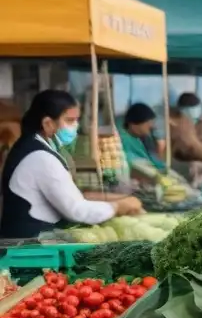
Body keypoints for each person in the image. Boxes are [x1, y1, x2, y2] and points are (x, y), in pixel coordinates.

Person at [0, 90, 142, 238]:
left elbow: (71, 196)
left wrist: (116, 200)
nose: (75, 126)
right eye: (69, 120)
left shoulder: (37, 147)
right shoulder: (40, 158)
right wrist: (118, 207)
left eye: (76, 120)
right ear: (48, 123)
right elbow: (77, 210)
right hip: (29, 245)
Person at [120, 103, 165, 170]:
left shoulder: (137, 139)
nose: (152, 126)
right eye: (148, 123)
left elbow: (150, 160)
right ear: (133, 124)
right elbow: (134, 163)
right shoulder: (124, 142)